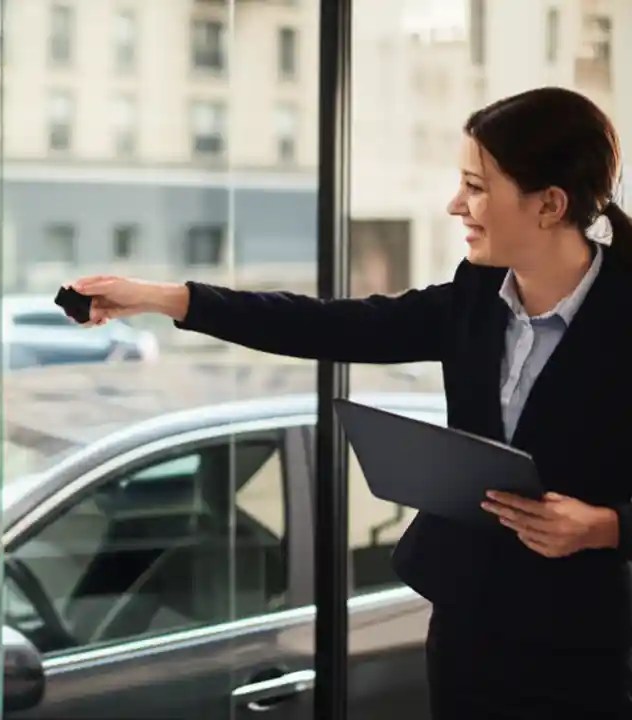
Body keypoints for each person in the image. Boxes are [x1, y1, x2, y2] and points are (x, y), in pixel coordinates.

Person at [68, 86, 632, 718]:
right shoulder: (475, 293)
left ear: (549, 205)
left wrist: (608, 527)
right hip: (470, 627)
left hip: (593, 644)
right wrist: (165, 299)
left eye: (476, 187)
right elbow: (329, 324)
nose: (456, 205)